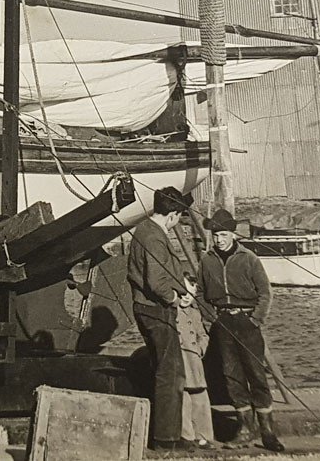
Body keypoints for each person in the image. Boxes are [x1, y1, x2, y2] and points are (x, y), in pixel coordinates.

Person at [197, 208, 285, 452]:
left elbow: (265, 293)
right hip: (222, 324)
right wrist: (211, 318)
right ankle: (245, 428)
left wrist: (256, 319)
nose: (219, 239)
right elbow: (200, 294)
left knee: (256, 374)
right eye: (215, 235)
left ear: (232, 235)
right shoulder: (207, 260)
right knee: (231, 375)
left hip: (247, 323)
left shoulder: (249, 259)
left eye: (223, 235)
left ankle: (267, 432)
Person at [126, 186, 196, 452]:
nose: (177, 221)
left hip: (146, 309)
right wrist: (175, 298)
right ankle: (166, 440)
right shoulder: (154, 236)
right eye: (178, 217)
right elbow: (157, 281)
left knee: (164, 370)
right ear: (172, 215)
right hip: (156, 311)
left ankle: (161, 433)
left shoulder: (144, 230)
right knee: (172, 374)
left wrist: (180, 288)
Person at [177, 274, 216, 450]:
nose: (185, 297)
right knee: (183, 398)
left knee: (200, 397)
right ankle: (187, 435)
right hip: (180, 357)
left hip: (195, 359)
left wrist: (201, 348)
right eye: (182, 292)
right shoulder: (172, 312)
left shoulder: (195, 313)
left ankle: (204, 436)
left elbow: (203, 335)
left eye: (190, 293)